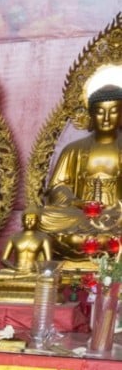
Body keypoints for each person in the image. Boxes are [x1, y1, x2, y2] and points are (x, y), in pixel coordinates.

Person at [39, 84, 122, 260]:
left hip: (116, 216)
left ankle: (95, 240)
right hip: (80, 216)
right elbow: (57, 188)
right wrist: (78, 204)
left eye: (113, 111)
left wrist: (115, 209)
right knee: (43, 217)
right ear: (91, 115)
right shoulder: (73, 149)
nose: (106, 118)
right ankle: (100, 241)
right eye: (100, 112)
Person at [0, 210, 54, 281]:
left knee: (50, 279)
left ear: (37, 221)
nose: (29, 222)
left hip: (33, 272)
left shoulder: (44, 238)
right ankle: (23, 279)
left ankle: (22, 279)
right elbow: (4, 259)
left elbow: (48, 261)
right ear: (22, 221)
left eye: (32, 219)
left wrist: (36, 268)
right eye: (27, 219)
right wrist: (13, 267)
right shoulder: (14, 237)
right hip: (15, 270)